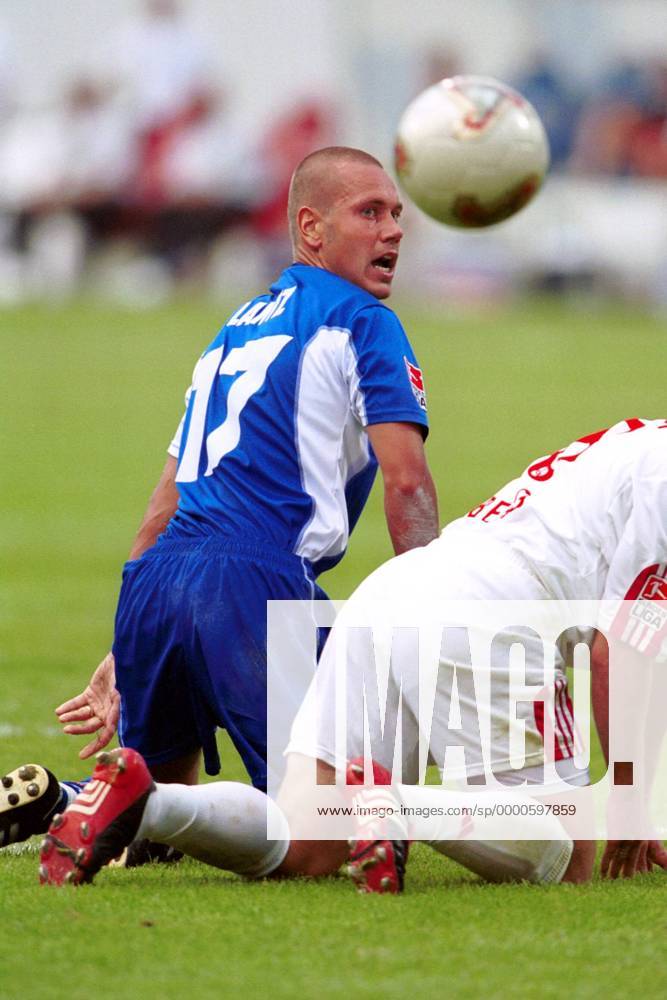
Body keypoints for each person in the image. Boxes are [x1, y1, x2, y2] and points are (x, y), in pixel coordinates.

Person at [0, 146, 439, 850]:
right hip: (252, 580)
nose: (391, 229)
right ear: (310, 227)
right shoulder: (360, 320)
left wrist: (128, 636)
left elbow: (162, 501)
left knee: (152, 811)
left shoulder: (234, 327)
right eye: (368, 212)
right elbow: (407, 479)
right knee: (319, 832)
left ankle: (65, 804)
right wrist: (436, 602)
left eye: (394, 213)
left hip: (159, 578)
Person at [34, 418, 667, 889]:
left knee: (306, 843)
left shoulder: (641, 443)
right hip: (496, 612)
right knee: (569, 858)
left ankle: (148, 802)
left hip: (394, 592)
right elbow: (616, 655)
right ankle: (396, 807)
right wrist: (636, 806)